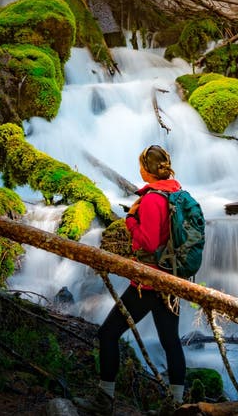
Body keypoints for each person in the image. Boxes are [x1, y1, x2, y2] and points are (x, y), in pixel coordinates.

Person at [73, 145, 186, 415]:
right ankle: (176, 405)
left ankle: (104, 399)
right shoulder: (178, 193)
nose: (139, 170)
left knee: (108, 334)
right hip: (172, 280)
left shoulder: (151, 200)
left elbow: (145, 241)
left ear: (147, 169)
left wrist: (131, 220)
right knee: (171, 342)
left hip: (147, 283)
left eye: (141, 166)